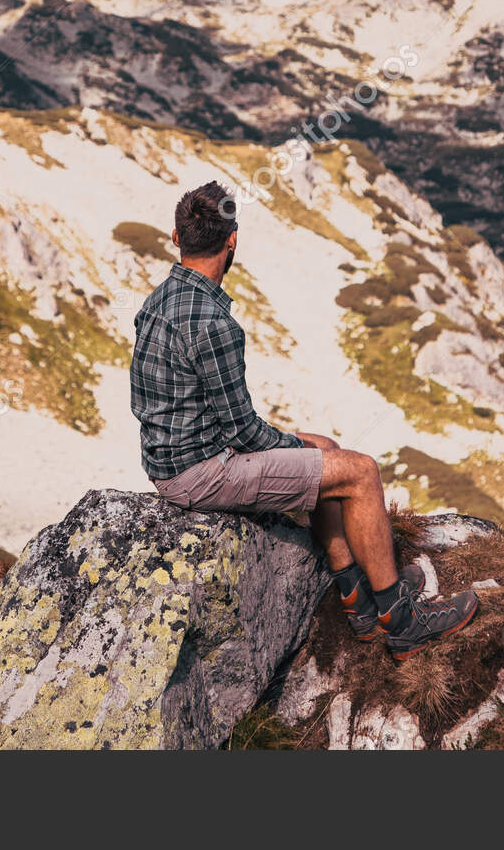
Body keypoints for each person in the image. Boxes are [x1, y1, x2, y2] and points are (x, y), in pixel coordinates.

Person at [128, 181, 479, 659]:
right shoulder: (213, 323)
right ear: (232, 240)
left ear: (176, 237)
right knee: (360, 471)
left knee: (326, 446)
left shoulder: (159, 299)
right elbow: (244, 432)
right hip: (202, 473)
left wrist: (306, 447)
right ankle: (402, 621)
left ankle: (357, 598)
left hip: (173, 461)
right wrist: (297, 449)